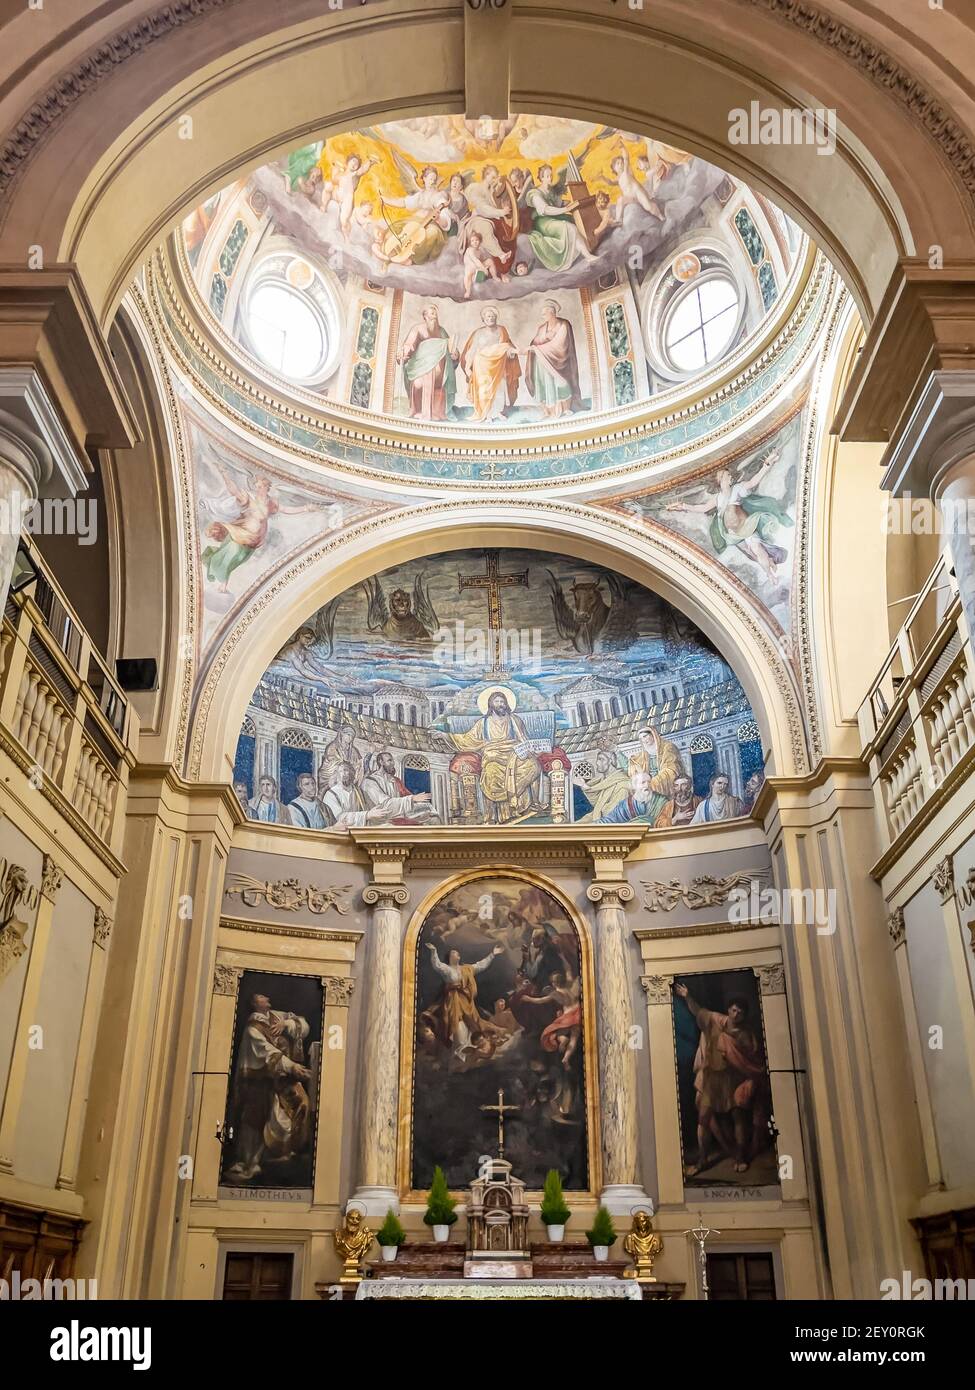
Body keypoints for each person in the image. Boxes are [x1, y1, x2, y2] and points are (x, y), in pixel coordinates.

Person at [674, 982, 769, 1175]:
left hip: (733, 1079)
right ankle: (702, 1160)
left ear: (744, 1015)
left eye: (740, 1012)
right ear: (728, 1010)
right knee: (703, 1118)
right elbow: (698, 1011)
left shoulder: (746, 1036)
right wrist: (687, 996)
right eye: (734, 1010)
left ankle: (740, 1157)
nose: (736, 1014)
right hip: (712, 1078)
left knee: (738, 1118)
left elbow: (752, 1062)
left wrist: (750, 1080)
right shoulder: (716, 1020)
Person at [224, 993, 313, 1182]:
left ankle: (285, 1151)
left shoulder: (276, 1016)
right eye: (260, 997)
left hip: (281, 1078)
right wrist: (292, 1066)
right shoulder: (252, 1028)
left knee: (303, 1102)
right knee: (256, 1119)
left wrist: (286, 1024)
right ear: (254, 1003)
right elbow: (267, 1052)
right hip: (260, 1079)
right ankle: (251, 1161)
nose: (265, 998)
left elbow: (303, 1024)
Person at [664, 451, 794, 581]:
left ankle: (769, 574)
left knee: (757, 548)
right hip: (731, 534)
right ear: (721, 478)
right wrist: (683, 506)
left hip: (746, 527)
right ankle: (768, 561)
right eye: (728, 475)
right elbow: (702, 508)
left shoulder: (737, 489)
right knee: (751, 553)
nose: (731, 476)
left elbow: (753, 482)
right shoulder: (718, 498)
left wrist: (767, 465)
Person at [449, 687, 542, 822]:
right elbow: (467, 739)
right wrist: (446, 736)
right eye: (497, 701)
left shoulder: (514, 720)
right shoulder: (483, 723)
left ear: (506, 704)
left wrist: (532, 750)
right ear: (491, 704)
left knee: (533, 765)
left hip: (514, 753)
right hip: (493, 756)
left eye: (502, 701)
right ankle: (493, 816)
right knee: (491, 772)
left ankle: (527, 806)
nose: (500, 704)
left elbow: (523, 739)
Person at [421, 942, 504, 1059]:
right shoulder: (447, 969)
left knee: (473, 1025)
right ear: (450, 957)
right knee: (458, 1029)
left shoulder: (466, 969)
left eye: (457, 952)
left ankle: (472, 1049)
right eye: (453, 952)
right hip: (453, 1003)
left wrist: (492, 954)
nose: (456, 953)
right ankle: (460, 1052)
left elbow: (480, 965)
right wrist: (434, 951)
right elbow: (436, 964)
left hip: (466, 1002)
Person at [524, 163, 598, 272]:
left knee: (575, 220)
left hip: (555, 217)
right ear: (542, 178)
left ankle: (588, 250)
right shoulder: (535, 194)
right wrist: (565, 209)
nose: (550, 178)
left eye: (551, 175)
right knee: (570, 227)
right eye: (547, 176)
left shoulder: (551, 190)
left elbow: (559, 203)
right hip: (543, 222)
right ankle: (588, 256)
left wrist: (572, 202)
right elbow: (545, 209)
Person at [397, 305, 459, 421]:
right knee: (418, 384)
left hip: (439, 372)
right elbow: (409, 344)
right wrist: (403, 353)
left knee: (438, 389)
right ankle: (418, 411)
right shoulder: (418, 329)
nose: (434, 316)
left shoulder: (441, 331)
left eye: (435, 313)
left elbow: (451, 347)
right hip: (421, 367)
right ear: (425, 316)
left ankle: (436, 413)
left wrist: (455, 355)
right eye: (431, 313)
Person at [459, 306, 521, 421]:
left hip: (498, 364)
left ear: (496, 318)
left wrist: (511, 352)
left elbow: (506, 346)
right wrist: (468, 367)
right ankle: (486, 412)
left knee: (499, 388)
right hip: (481, 366)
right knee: (484, 389)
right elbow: (472, 350)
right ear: (483, 319)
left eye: (493, 316)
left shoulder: (501, 330)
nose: (491, 318)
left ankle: (497, 412)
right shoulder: (478, 333)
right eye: (488, 316)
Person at [524, 299, 583, 418]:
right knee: (544, 384)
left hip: (559, 360)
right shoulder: (542, 328)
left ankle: (565, 408)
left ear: (552, 312)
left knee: (561, 382)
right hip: (542, 362)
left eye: (544, 313)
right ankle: (548, 411)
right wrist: (533, 347)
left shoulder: (563, 325)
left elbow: (559, 344)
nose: (543, 316)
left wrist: (536, 348)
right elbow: (535, 342)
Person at [361, 750, 439, 824]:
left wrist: (417, 800)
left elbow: (403, 796)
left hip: (396, 813)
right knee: (432, 820)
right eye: (389, 760)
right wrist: (412, 799)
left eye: (393, 760)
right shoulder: (370, 782)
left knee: (430, 812)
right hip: (382, 820)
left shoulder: (393, 780)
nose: (393, 763)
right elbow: (385, 805)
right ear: (381, 762)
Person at [322, 761, 373, 829]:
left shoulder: (359, 792)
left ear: (351, 772)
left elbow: (370, 808)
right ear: (336, 774)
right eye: (340, 771)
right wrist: (367, 815)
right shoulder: (330, 794)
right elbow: (341, 818)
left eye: (346, 770)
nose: (344, 774)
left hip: (359, 830)